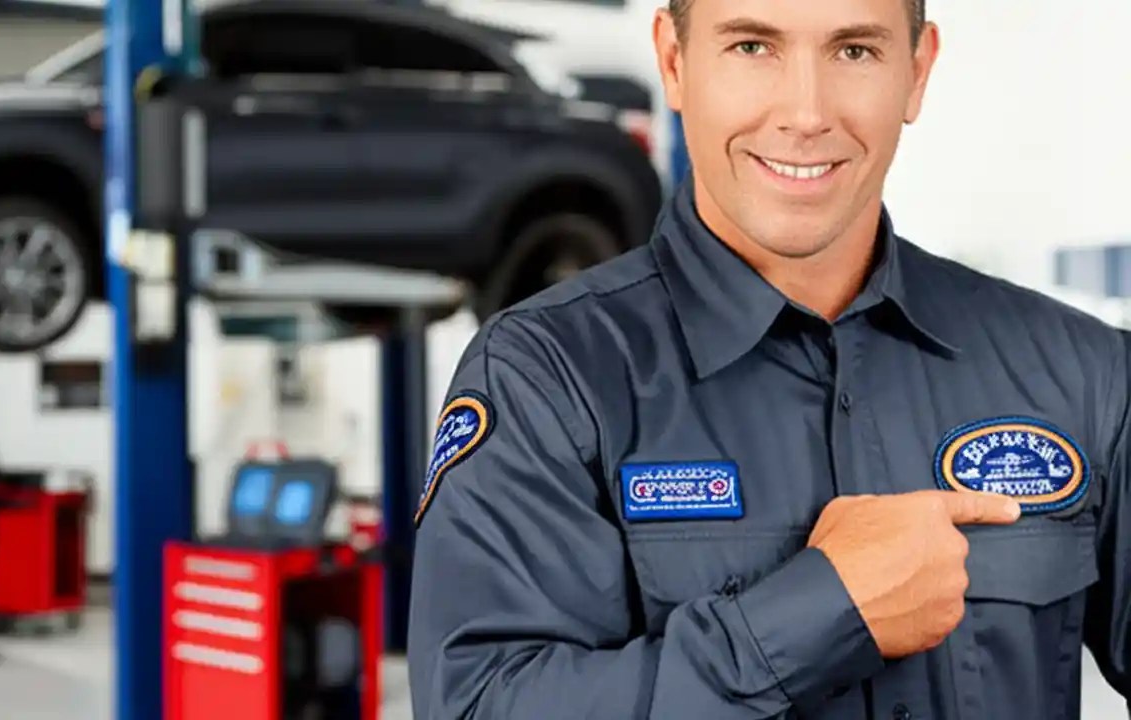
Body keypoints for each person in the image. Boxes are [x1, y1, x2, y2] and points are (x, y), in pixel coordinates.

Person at [406, 0, 1131, 717]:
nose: (806, 113)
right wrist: (820, 614)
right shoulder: (549, 379)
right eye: (753, 47)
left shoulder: (1084, 375)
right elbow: (479, 705)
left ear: (917, 71)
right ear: (674, 60)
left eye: (854, 51)